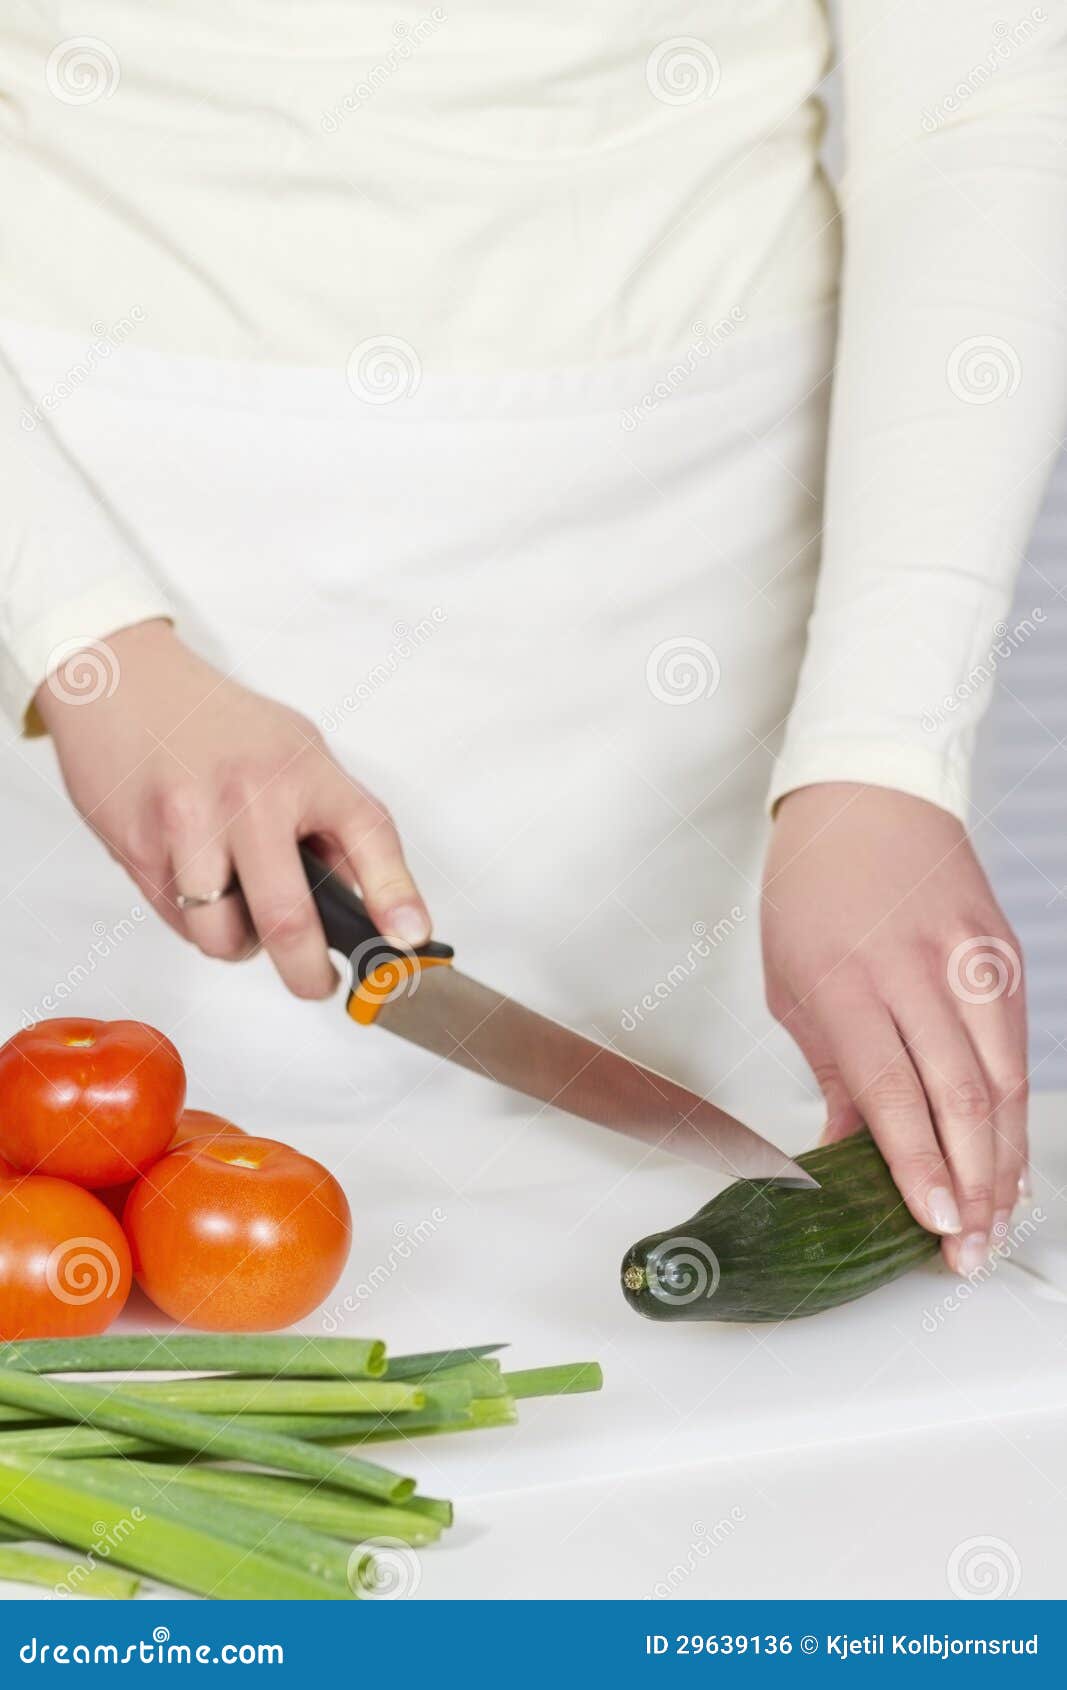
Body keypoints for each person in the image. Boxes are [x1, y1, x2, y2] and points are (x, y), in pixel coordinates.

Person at [3, 5, 1064, 1278]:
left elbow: (981, 104)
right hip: (87, 571)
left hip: (704, 639)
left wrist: (879, 745)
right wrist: (74, 631)